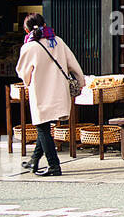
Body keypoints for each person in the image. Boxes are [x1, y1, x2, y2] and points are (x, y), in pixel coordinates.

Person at [14, 13, 85, 177]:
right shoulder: (57, 41)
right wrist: (80, 82)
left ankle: (54, 166)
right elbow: (73, 63)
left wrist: (27, 82)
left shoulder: (29, 47)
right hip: (59, 92)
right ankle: (34, 160)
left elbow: (23, 73)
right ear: (44, 25)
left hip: (41, 92)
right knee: (44, 127)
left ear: (27, 30)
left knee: (42, 128)